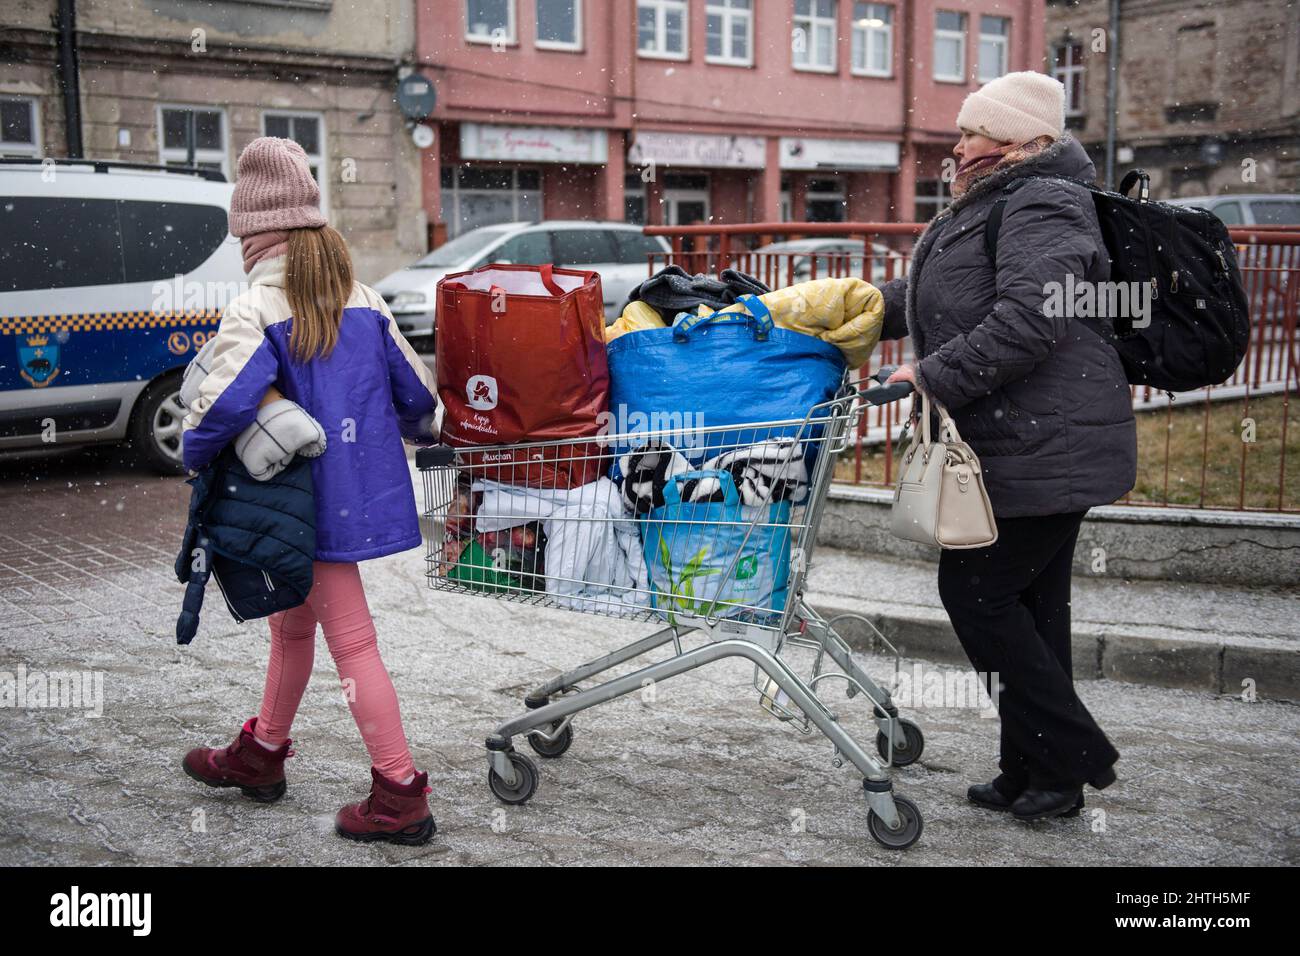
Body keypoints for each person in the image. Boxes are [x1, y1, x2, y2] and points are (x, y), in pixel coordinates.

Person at [879, 72, 1136, 821]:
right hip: (1022, 441)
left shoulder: (1045, 201)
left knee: (978, 595)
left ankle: (1072, 754)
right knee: (1031, 606)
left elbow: (1029, 319)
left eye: (973, 133)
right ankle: (1038, 776)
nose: (958, 146)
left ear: (1023, 142)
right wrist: (850, 312)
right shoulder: (993, 203)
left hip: (1047, 442)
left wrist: (930, 376)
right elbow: (938, 294)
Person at [179, 137, 442, 845]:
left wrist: (192, 451)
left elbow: (224, 401)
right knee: (293, 625)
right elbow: (417, 395)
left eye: (241, 235)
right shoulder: (363, 298)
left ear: (257, 233)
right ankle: (262, 753)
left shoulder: (258, 304)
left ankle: (399, 794)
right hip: (359, 494)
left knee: (352, 644)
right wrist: (417, 430)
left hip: (296, 504)